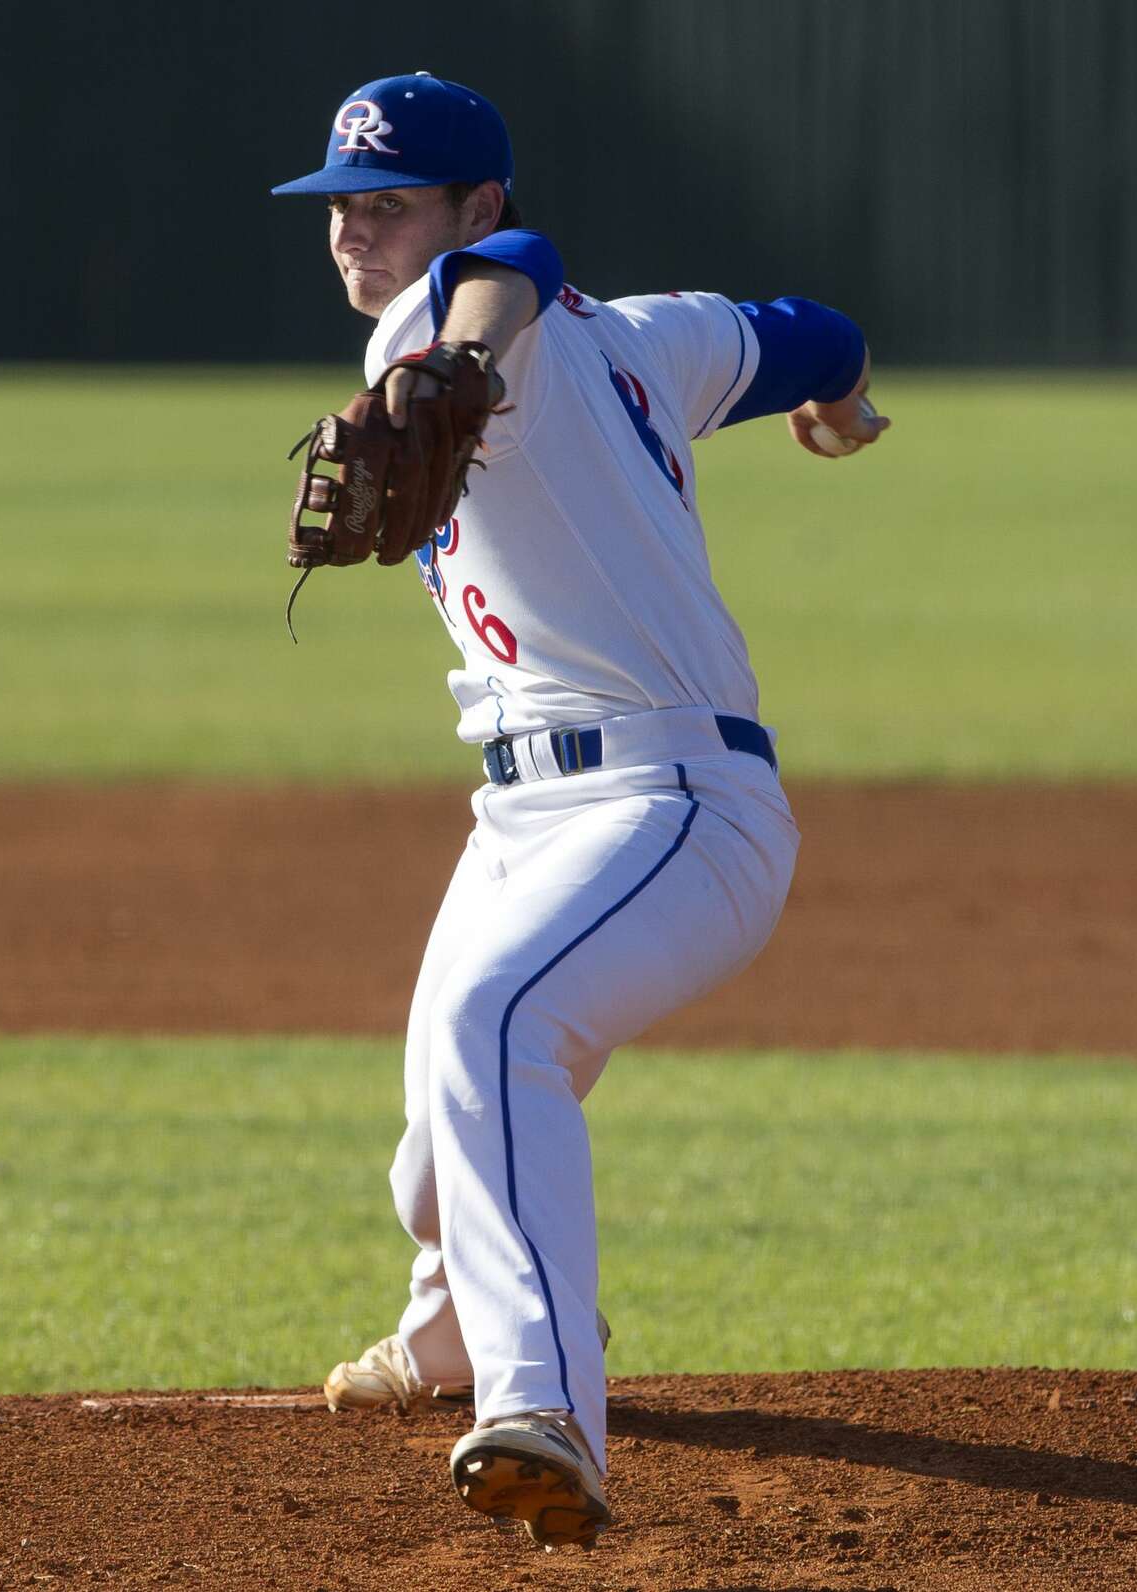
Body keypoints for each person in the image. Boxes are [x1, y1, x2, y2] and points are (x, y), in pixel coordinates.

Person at [272, 70, 889, 1552]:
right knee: (434, 1142)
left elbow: (517, 277)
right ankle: (445, 1329)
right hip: (529, 817)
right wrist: (843, 403)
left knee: (497, 1023)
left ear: (476, 207)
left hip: (676, 802)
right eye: (343, 204)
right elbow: (815, 332)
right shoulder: (659, 336)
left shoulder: (463, 314)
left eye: (392, 202)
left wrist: (459, 359)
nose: (358, 228)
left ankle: (544, 1403)